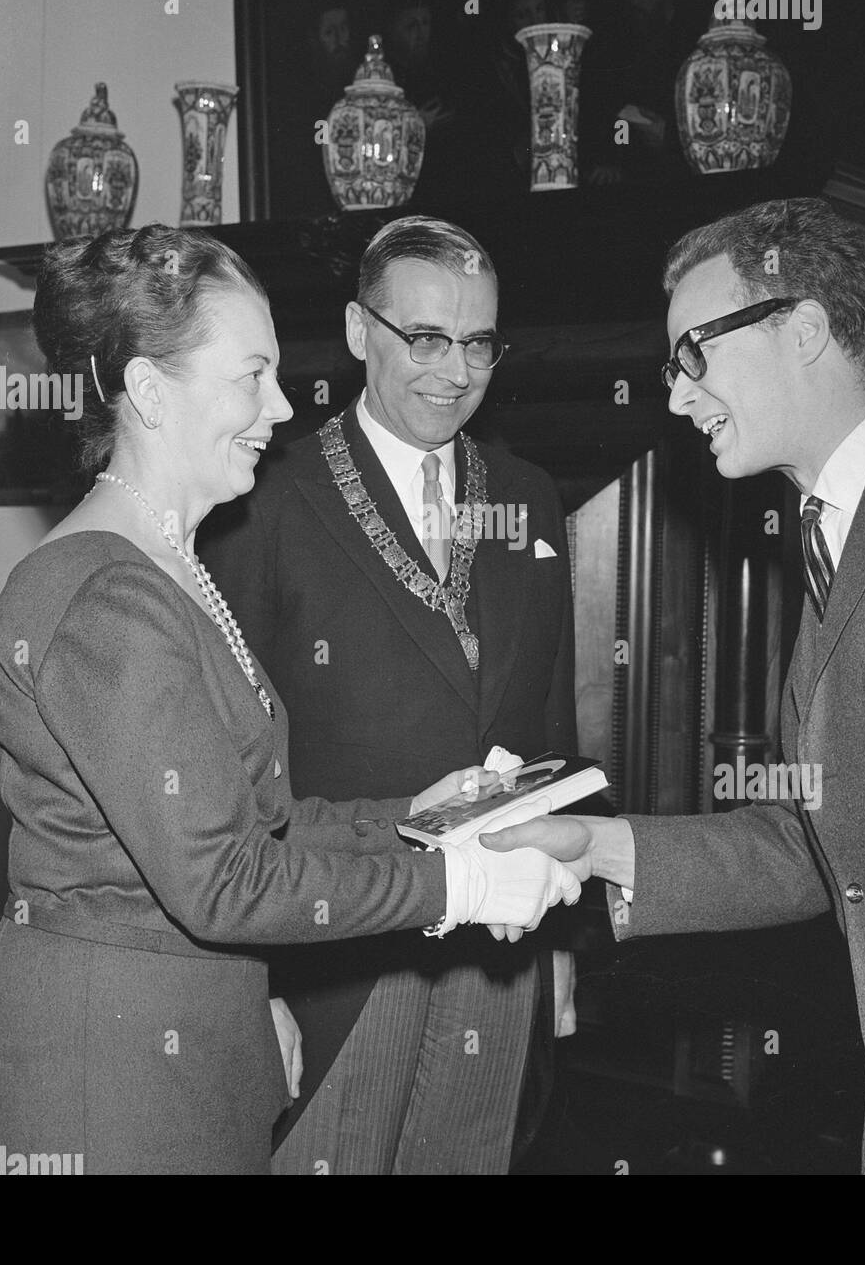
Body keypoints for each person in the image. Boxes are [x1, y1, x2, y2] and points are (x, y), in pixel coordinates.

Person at [487, 197, 865, 1174]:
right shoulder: (826, 546)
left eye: (692, 352)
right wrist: (596, 846)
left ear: (805, 330)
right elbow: (804, 840)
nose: (677, 395)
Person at [0, 224, 579, 1175]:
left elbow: (264, 824)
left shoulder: (165, 568)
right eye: (251, 377)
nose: (282, 404)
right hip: (113, 1064)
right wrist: (457, 884)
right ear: (148, 392)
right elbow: (225, 881)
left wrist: (420, 818)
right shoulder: (106, 599)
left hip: (194, 1035)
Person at [200, 215, 578, 1175]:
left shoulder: (529, 495)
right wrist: (251, 990)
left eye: (479, 342)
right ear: (359, 331)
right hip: (339, 953)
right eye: (425, 338)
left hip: (499, 950)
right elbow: (224, 783)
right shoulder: (262, 496)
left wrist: (567, 939)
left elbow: (552, 730)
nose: (456, 371)